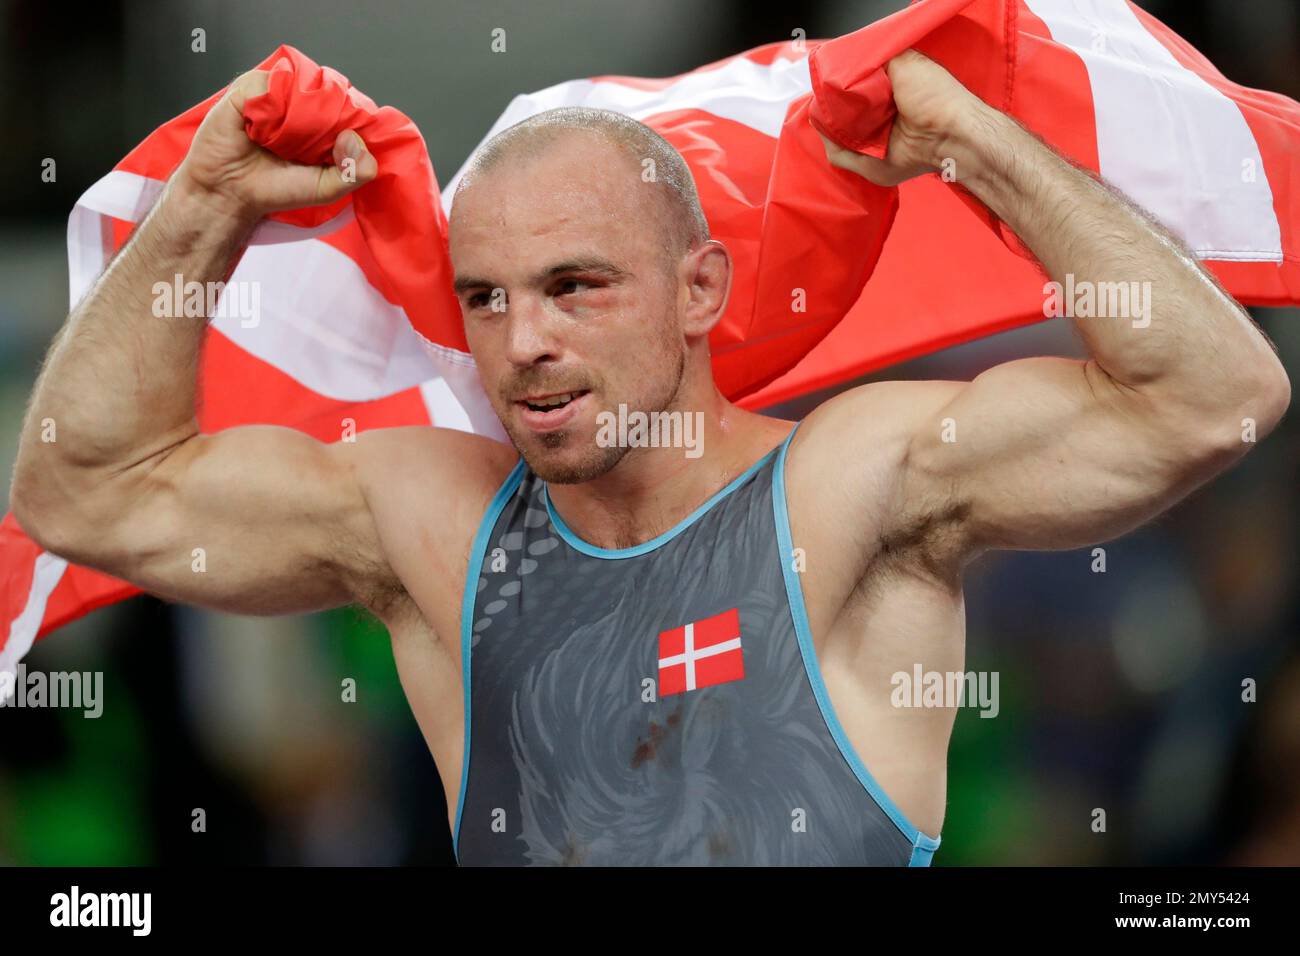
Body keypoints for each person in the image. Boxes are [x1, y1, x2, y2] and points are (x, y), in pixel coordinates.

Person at [11, 50, 1289, 865]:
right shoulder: (435, 527)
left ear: (699, 289)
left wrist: (976, 145)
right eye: (488, 298)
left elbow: (1211, 396)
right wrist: (206, 206)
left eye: (576, 286)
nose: (525, 344)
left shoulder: (847, 487)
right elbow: (81, 488)